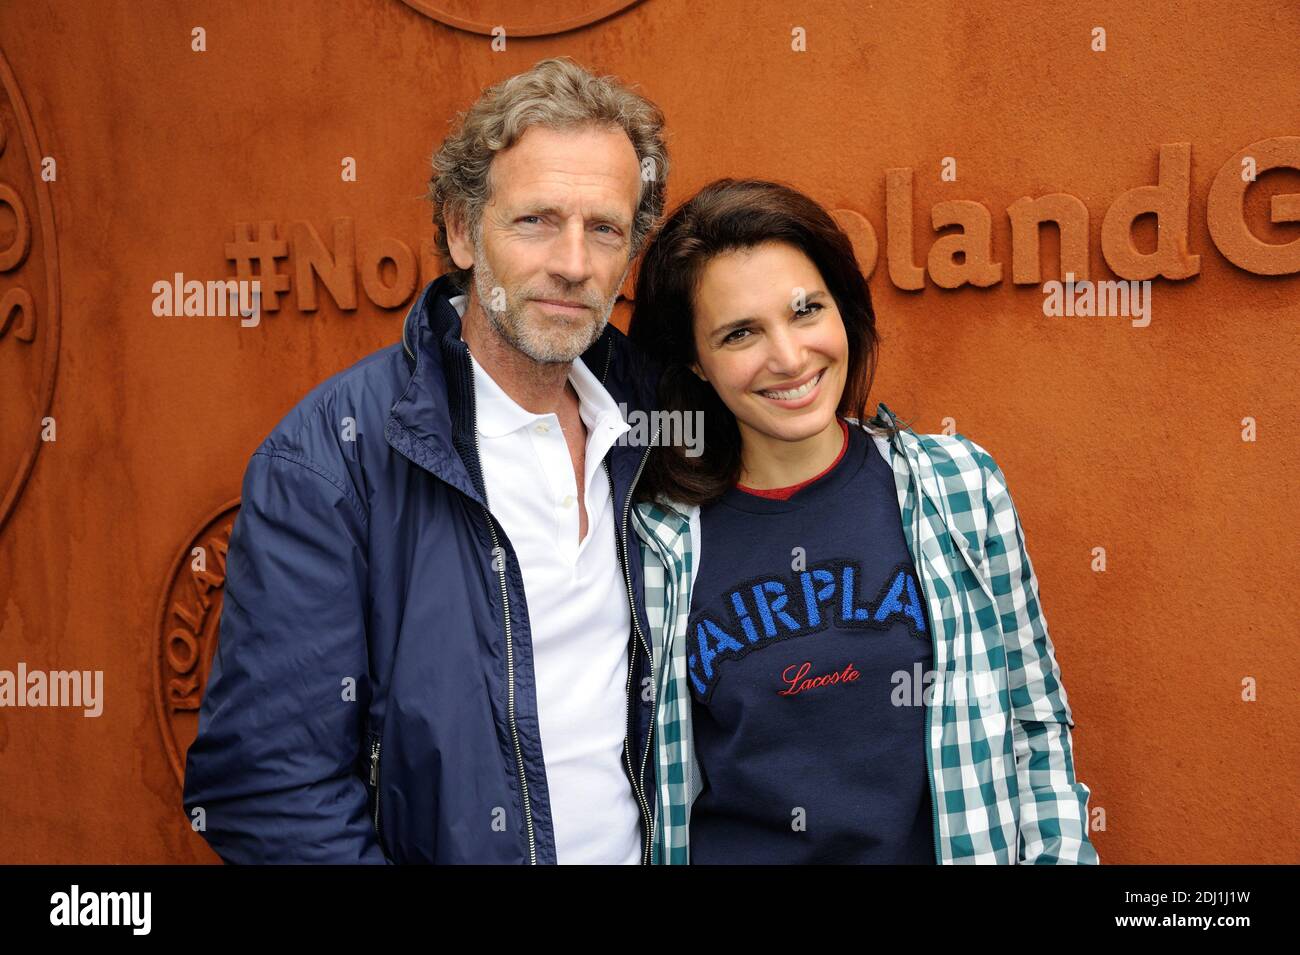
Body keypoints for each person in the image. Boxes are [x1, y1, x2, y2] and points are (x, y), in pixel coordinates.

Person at [182, 57, 670, 864]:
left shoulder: (657, 426)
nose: (574, 263)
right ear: (459, 231)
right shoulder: (330, 460)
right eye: (537, 221)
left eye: (605, 229)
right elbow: (267, 791)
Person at [628, 178, 1099, 865]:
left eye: (805, 311)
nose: (788, 357)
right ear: (696, 364)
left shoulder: (956, 485)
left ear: (841, 310)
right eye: (740, 333)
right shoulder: (656, 541)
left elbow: (1035, 719)